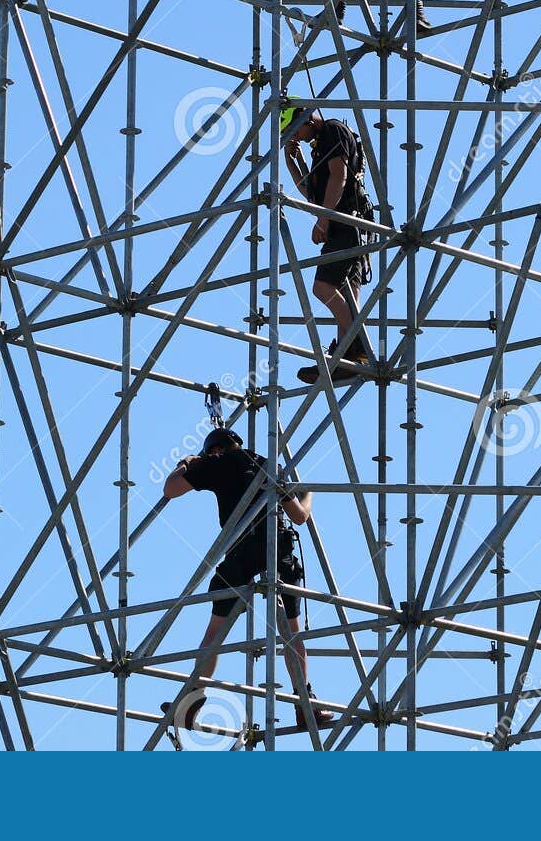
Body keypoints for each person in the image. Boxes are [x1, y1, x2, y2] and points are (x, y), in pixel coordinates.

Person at [160, 427, 331, 734]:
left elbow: (171, 489)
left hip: (241, 551)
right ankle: (306, 705)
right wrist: (307, 494)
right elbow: (300, 516)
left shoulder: (215, 463)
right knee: (291, 633)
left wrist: (186, 463)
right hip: (278, 549)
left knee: (215, 632)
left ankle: (191, 703)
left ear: (214, 450)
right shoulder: (266, 465)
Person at [280, 98, 377, 383]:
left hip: (347, 222)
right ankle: (347, 357)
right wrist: (292, 161)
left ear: (306, 117)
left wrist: (323, 220)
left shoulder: (333, 130)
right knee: (347, 294)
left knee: (323, 287)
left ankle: (356, 345)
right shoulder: (319, 146)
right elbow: (313, 194)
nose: (296, 136)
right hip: (349, 225)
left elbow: (339, 177)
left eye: (295, 130)